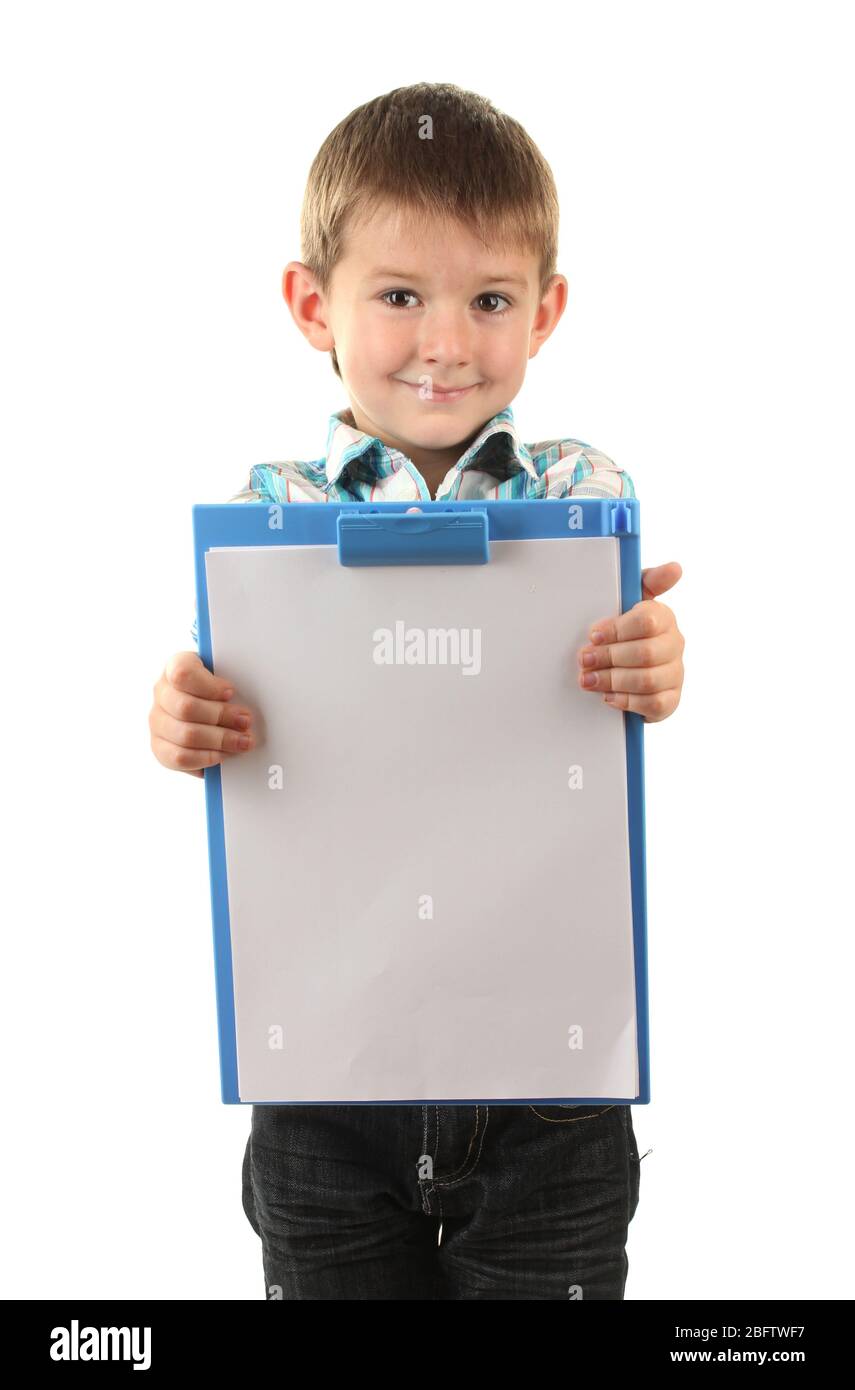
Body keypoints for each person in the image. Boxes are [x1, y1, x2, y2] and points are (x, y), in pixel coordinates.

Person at [149, 82, 685, 1299]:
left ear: (545, 313)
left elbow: (628, 680)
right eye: (400, 296)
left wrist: (653, 663)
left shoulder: (582, 493)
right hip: (329, 1075)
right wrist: (181, 712)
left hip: (549, 1084)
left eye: (489, 300)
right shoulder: (266, 519)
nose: (446, 343)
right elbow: (210, 694)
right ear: (311, 304)